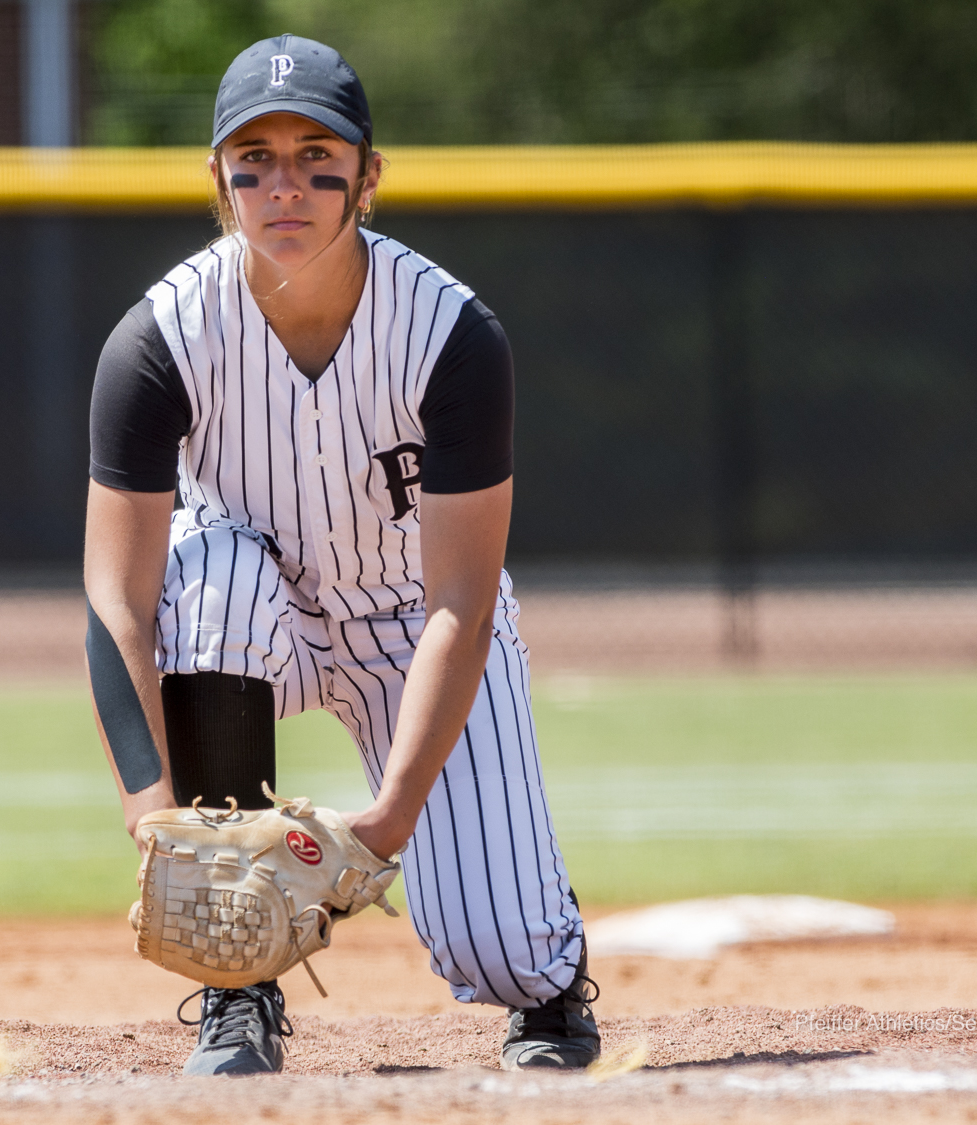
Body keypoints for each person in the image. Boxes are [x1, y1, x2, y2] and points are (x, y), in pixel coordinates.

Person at [83, 34, 598, 1075]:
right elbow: (119, 603)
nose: (286, 184)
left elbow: (460, 596)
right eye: (253, 158)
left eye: (317, 154)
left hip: (419, 623)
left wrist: (388, 824)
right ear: (218, 181)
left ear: (368, 177)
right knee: (208, 569)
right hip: (255, 611)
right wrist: (153, 814)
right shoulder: (159, 341)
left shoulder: (450, 334)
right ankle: (236, 992)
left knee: (502, 949)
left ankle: (544, 969)